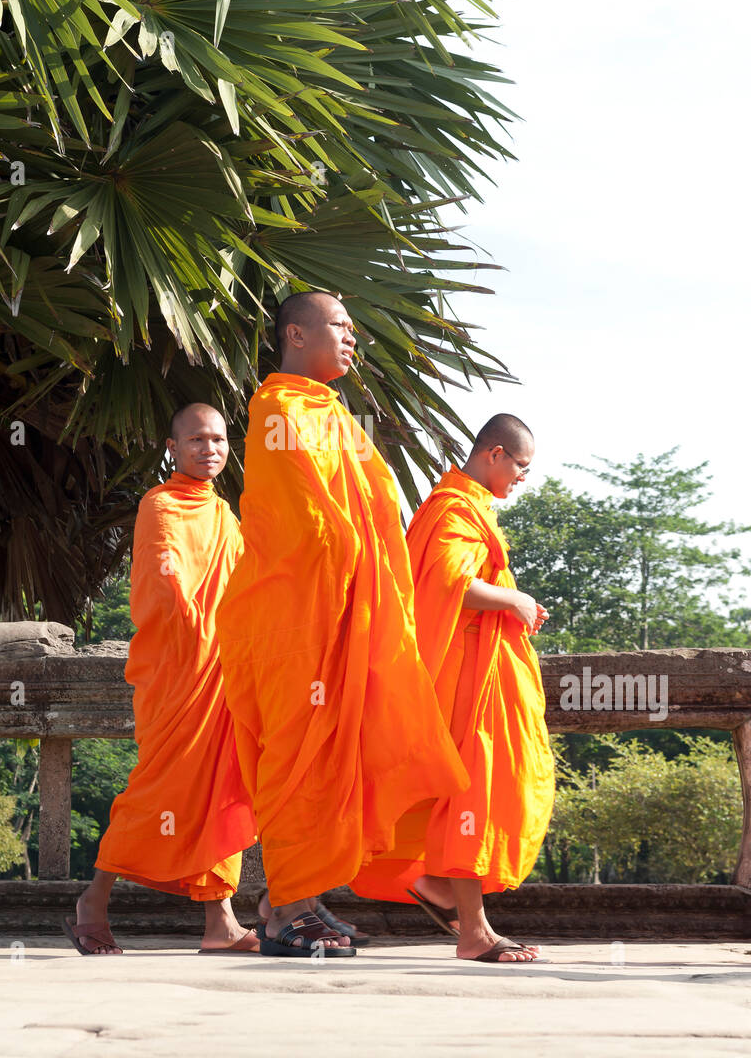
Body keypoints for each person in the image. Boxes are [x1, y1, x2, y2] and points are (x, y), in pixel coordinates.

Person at [216, 291, 469, 957]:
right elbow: (299, 518)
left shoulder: (334, 416)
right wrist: (356, 567)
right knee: (298, 760)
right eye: (341, 327)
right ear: (296, 334)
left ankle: (291, 899)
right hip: (293, 621)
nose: (354, 339)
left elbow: (368, 515)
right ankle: (283, 911)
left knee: (339, 757)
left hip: (339, 617)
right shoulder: (276, 408)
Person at [350, 414, 555, 962]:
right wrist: (514, 600)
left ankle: (440, 886)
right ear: (493, 454)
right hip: (462, 678)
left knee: (453, 790)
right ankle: (474, 930)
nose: (521, 479)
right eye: (521, 467)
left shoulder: (468, 507)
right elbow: (448, 583)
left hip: (476, 673)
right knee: (470, 787)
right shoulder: (454, 508)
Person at [62, 404, 259, 956]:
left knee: (221, 787)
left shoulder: (225, 516)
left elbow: (247, 584)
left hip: (225, 672)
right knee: (158, 788)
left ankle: (220, 922)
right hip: (179, 671)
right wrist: (199, 633)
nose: (210, 449)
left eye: (219, 440)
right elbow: (165, 572)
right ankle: (93, 900)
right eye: (196, 439)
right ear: (172, 448)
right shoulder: (161, 503)